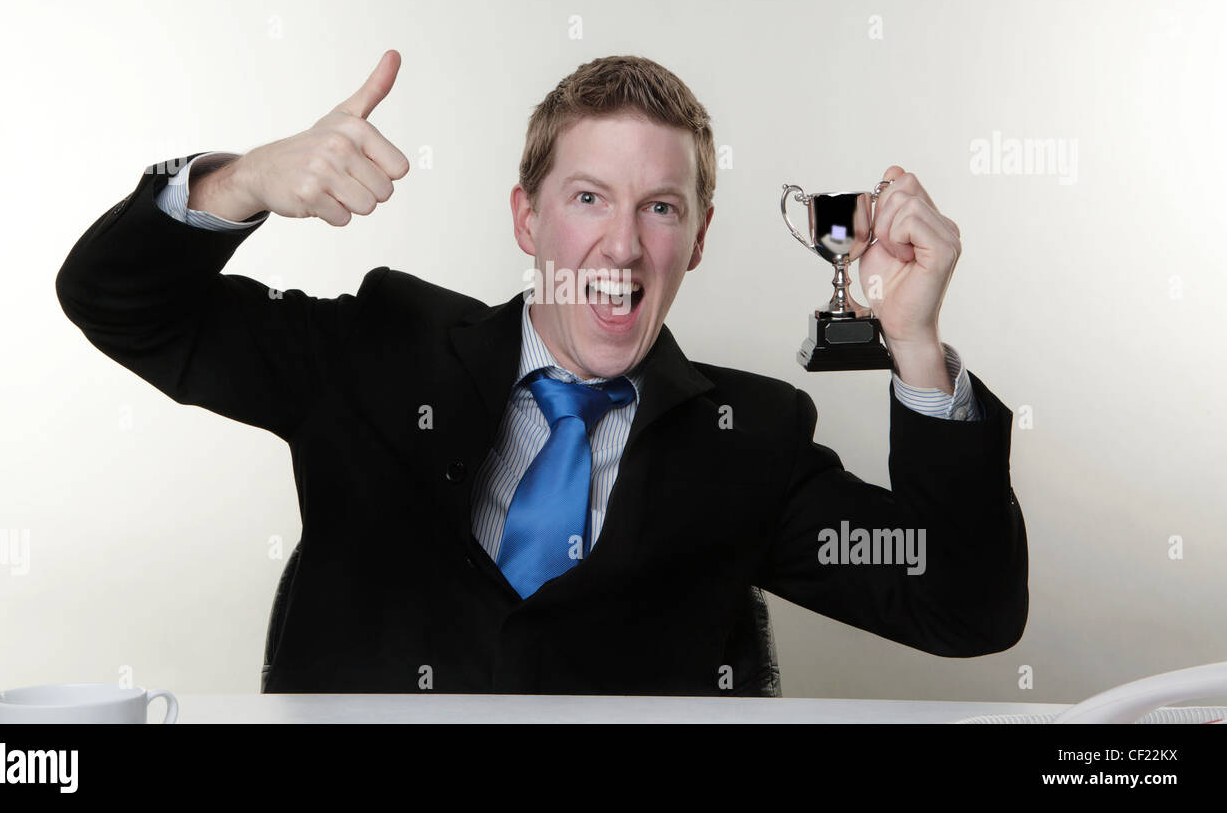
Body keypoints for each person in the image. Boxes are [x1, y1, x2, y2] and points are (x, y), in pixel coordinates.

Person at [55, 50, 1027, 695]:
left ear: (695, 240)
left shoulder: (750, 442)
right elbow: (116, 301)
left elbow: (961, 603)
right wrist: (242, 182)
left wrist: (915, 342)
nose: (622, 243)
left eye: (659, 207)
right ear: (528, 220)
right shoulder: (376, 350)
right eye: (588, 196)